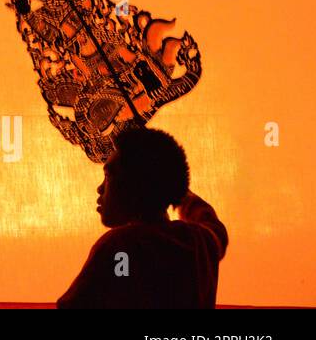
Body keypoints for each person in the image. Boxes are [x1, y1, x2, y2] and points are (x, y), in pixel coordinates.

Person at [58, 127, 228, 308]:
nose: (100, 188)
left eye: (108, 175)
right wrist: (172, 186)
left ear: (136, 185)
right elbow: (212, 224)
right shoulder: (199, 241)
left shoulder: (117, 245)